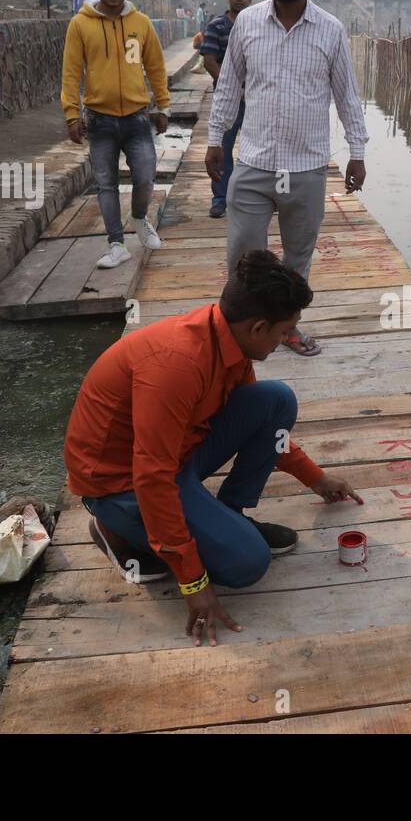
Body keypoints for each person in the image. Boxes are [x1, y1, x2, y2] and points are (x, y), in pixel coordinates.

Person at [63, 250, 362, 645]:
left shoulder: (229, 338)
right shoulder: (176, 366)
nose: (286, 339)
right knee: (247, 565)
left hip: (176, 456)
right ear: (258, 327)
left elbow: (258, 421)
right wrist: (192, 582)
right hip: (122, 484)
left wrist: (315, 477)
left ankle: (228, 515)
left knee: (275, 400)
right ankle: (113, 528)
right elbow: (152, 477)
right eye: (284, 330)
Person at [205, 0, 369, 357]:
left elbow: (347, 96)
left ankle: (288, 330)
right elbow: (229, 86)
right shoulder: (248, 23)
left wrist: (358, 152)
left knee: (297, 259)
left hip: (307, 167)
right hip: (255, 162)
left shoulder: (330, 31)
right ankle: (236, 334)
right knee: (244, 257)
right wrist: (214, 138)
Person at [60, 0, 169, 270]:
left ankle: (138, 216)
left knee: (146, 176)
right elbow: (71, 72)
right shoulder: (80, 25)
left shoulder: (140, 24)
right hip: (99, 119)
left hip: (137, 117)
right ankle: (116, 244)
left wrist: (163, 105)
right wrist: (71, 113)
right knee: (105, 184)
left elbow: (155, 67)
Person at [198, 0, 253, 219]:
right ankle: (220, 198)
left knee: (258, 150)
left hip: (255, 101)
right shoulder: (217, 26)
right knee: (223, 147)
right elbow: (209, 60)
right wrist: (232, 88)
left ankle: (254, 196)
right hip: (227, 100)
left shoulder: (257, 26)